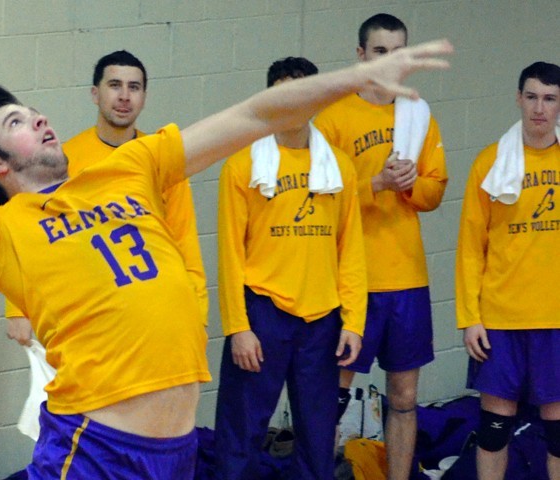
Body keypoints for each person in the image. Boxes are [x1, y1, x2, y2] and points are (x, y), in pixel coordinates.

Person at [0, 9, 451, 479]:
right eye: (16, 123)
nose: (38, 120)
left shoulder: (129, 165)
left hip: (178, 449)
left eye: (34, 112)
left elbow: (254, 116)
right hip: (98, 449)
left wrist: (353, 80)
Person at [214, 57, 366, 480]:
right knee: (240, 434)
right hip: (262, 315)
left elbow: (350, 248)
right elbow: (229, 255)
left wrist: (354, 321)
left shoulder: (340, 167)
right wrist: (238, 327)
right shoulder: (241, 166)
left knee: (318, 439)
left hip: (322, 319)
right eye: (285, 92)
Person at [314, 13, 448, 479]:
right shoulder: (332, 116)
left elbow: (434, 192)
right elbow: (320, 200)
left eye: (398, 53)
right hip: (353, 278)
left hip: (406, 276)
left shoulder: (418, 113)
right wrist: (375, 182)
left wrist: (409, 186)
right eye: (379, 52)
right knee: (331, 393)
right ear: (360, 56)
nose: (389, 62)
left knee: (405, 397)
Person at [5, 50, 207, 346]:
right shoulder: (64, 160)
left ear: (144, 97)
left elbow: (185, 243)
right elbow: (26, 233)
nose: (124, 96)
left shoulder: (163, 159)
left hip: (154, 312)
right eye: (114, 85)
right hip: (88, 314)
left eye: (134, 87)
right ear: (95, 94)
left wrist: (197, 315)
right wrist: (16, 307)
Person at [456, 61, 560, 480]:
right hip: (500, 319)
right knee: (494, 432)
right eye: (532, 96)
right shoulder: (489, 163)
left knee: (557, 435)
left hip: (554, 319)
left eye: (550, 99)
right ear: (518, 99)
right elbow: (469, 249)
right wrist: (469, 318)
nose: (540, 108)